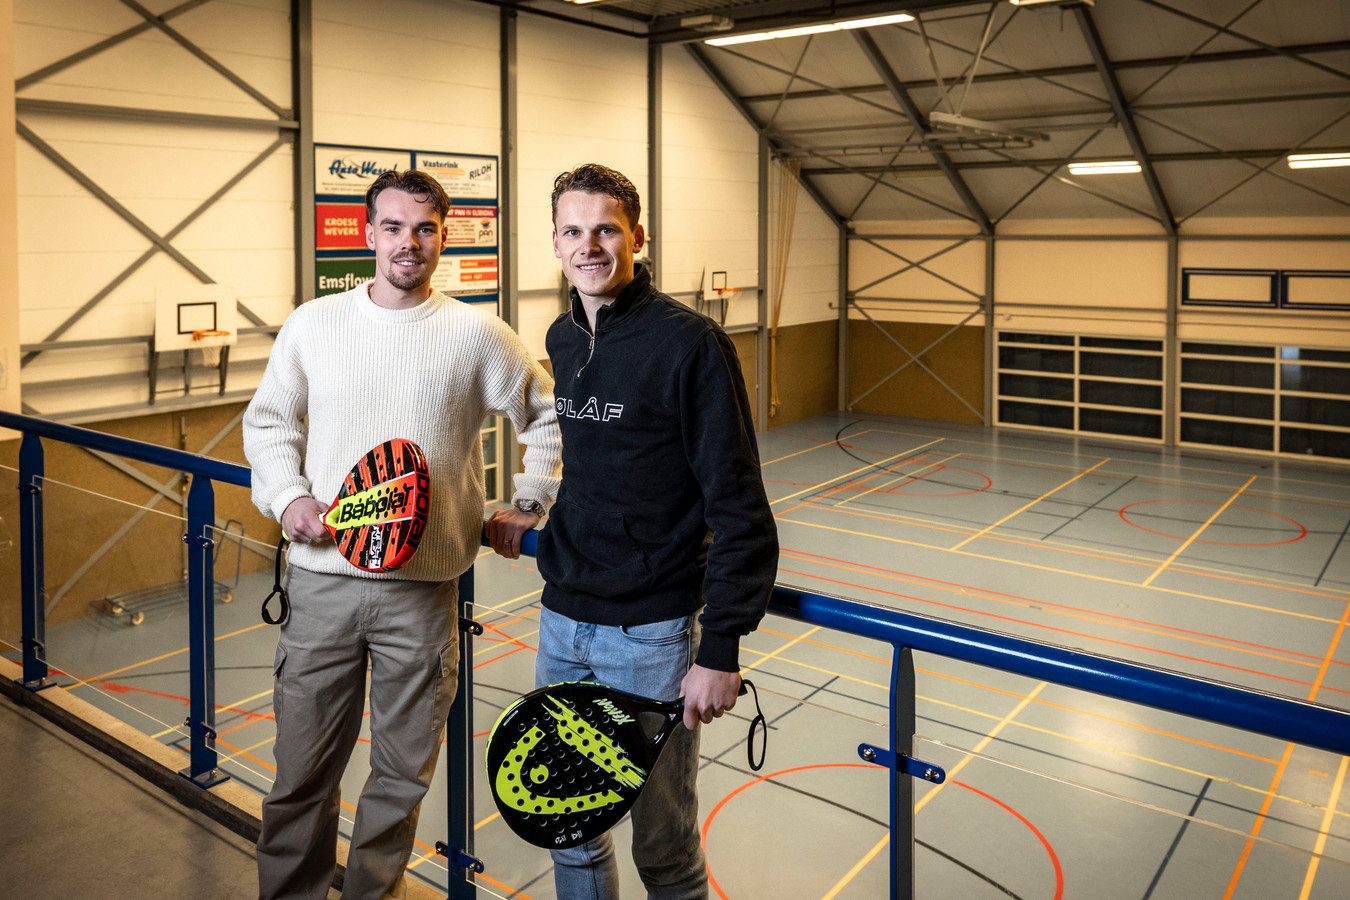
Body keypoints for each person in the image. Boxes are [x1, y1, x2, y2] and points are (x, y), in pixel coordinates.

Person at [244, 169, 561, 900]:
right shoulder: (313, 324)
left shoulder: (478, 332)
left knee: (398, 776)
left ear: (443, 238)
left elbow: (546, 414)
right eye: (392, 227)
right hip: (321, 581)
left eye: (424, 229)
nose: (407, 243)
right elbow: (268, 424)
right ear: (367, 234)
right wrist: (289, 498)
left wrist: (530, 499)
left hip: (423, 594)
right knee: (300, 773)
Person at [535, 163, 779, 899]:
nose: (590, 246)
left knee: (663, 847)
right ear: (555, 241)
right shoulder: (563, 336)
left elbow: (738, 504)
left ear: (637, 236)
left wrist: (721, 646)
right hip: (562, 620)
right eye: (573, 231)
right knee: (569, 828)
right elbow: (591, 475)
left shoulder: (691, 344)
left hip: (651, 637)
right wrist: (535, 527)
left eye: (606, 229)